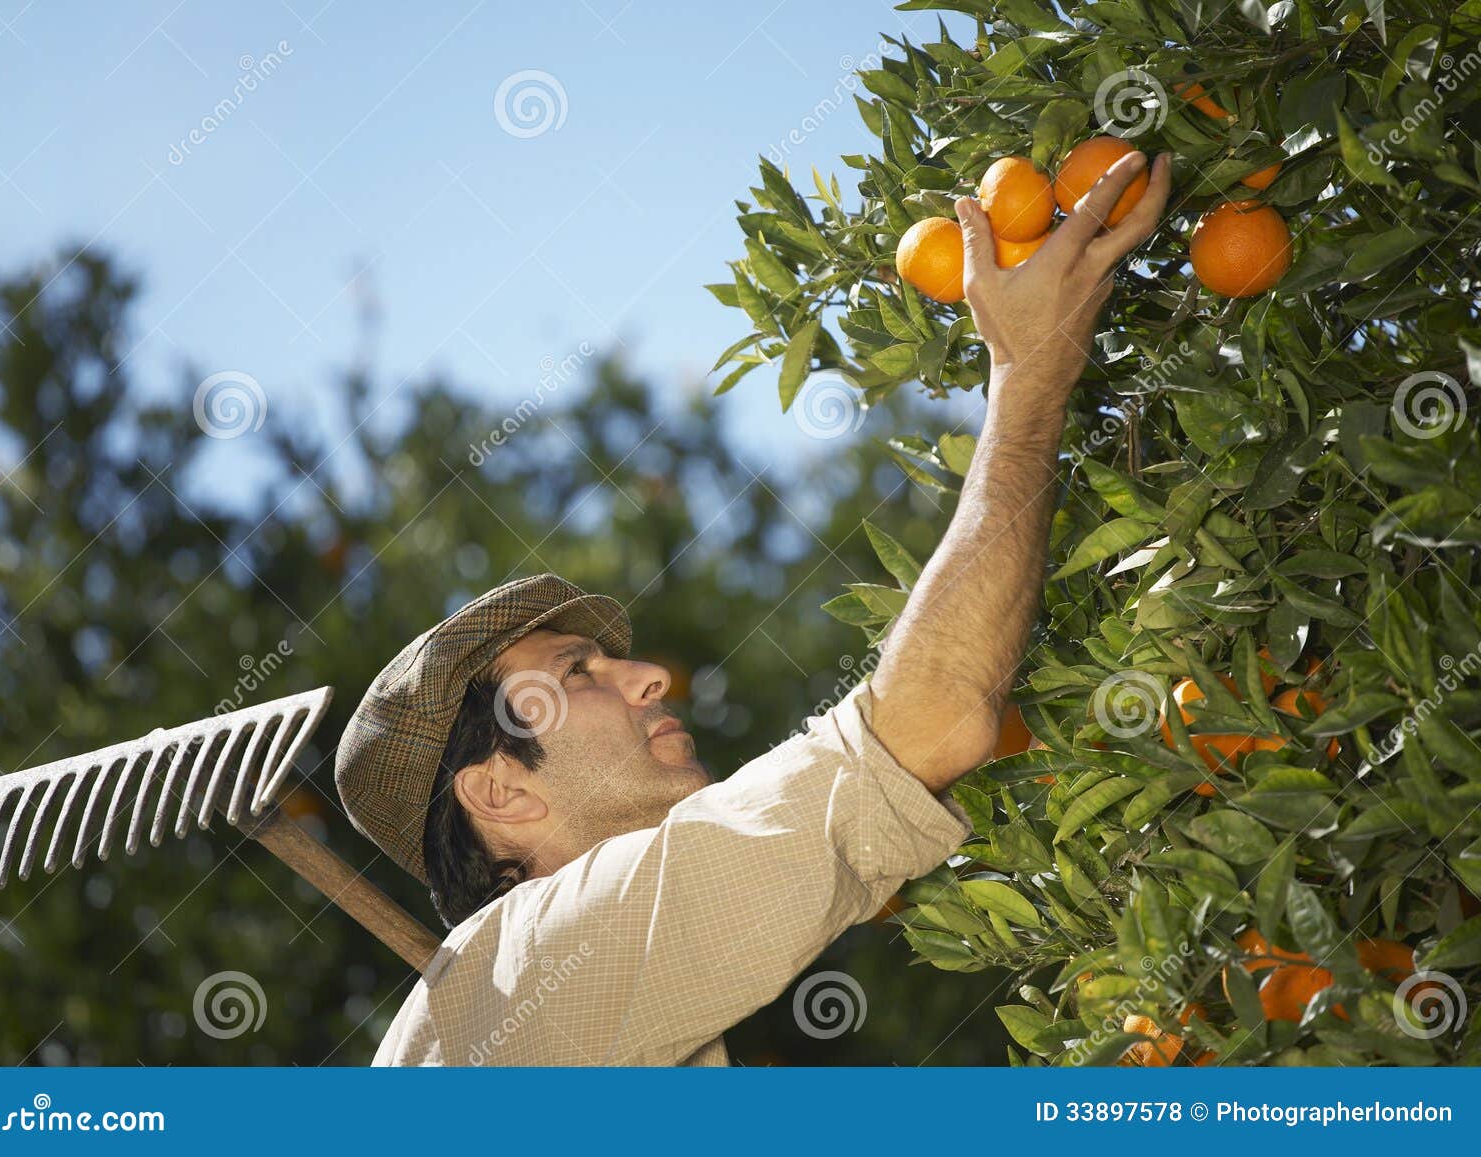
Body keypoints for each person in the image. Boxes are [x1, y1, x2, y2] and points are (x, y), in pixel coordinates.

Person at [334, 149, 1173, 1065]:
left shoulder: (537, 1007)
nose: (649, 674)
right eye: (578, 670)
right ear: (499, 788)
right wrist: (1031, 372)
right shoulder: (531, 955)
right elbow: (924, 725)